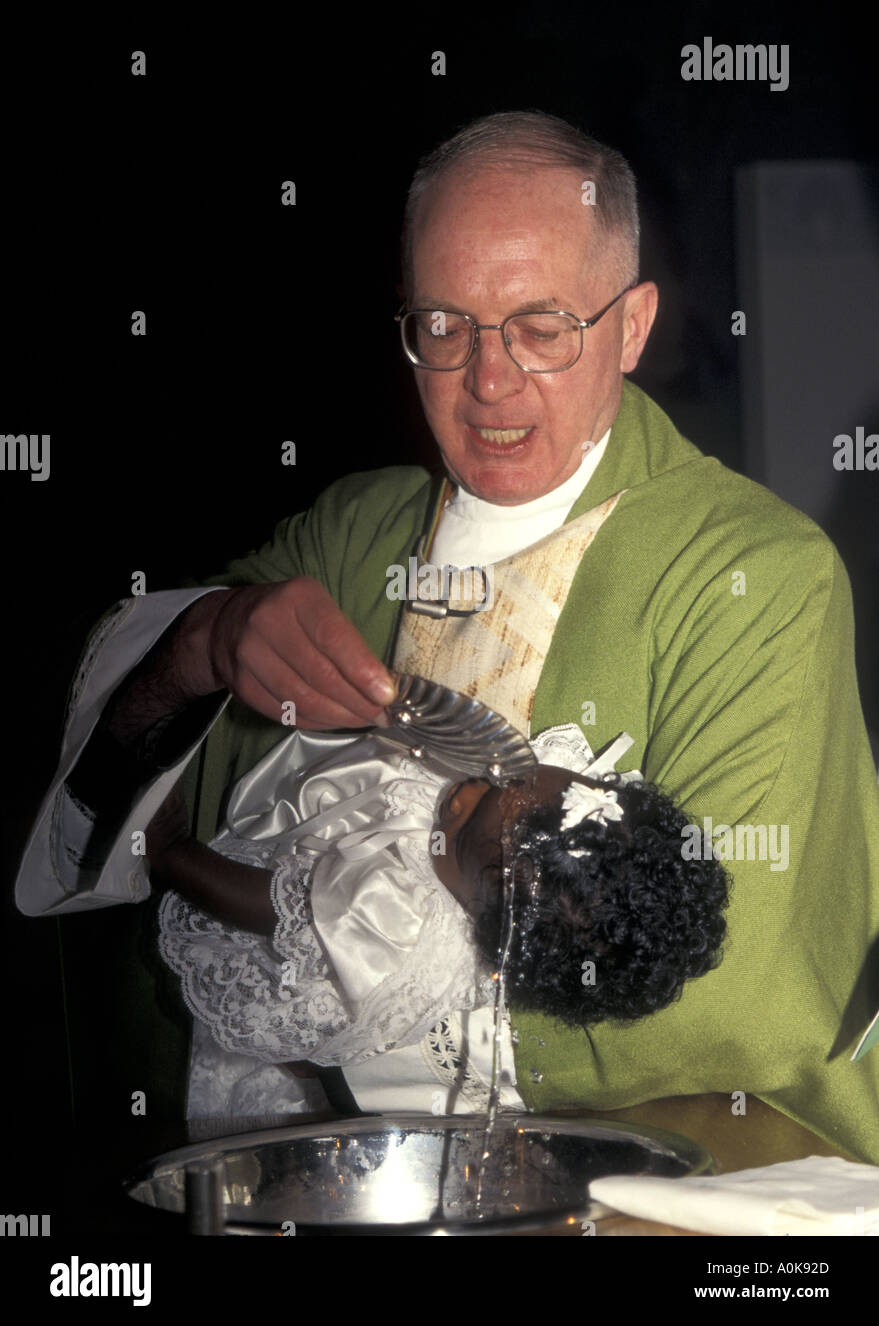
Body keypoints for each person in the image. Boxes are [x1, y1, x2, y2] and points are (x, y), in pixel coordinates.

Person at [16, 110, 879, 1161]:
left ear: (634, 324)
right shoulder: (350, 532)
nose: (491, 379)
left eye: (543, 326)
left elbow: (740, 999)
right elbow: (119, 815)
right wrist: (206, 640)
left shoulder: (756, 573)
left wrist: (359, 1016)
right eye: (445, 325)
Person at [144, 720, 729, 1135]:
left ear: (496, 894)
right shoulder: (523, 809)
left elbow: (279, 907)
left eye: (520, 801)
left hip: (260, 929)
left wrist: (174, 856)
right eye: (587, 789)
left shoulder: (399, 918)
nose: (519, 774)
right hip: (320, 820)